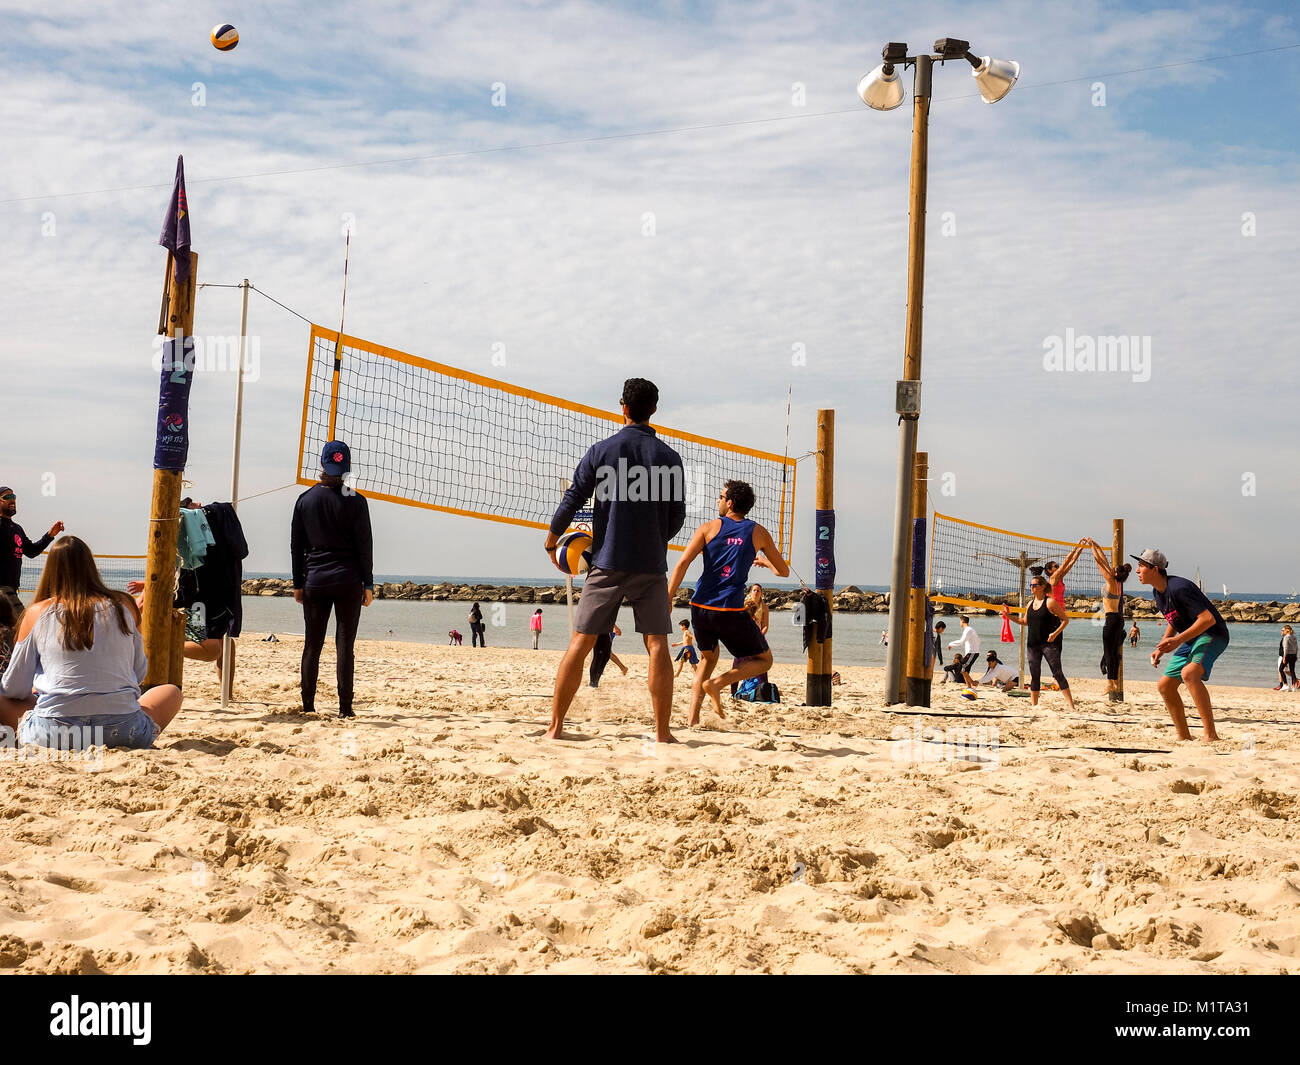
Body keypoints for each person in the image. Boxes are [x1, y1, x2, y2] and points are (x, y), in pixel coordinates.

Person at [544, 378, 685, 741]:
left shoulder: (602, 451)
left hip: (606, 562)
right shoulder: (669, 458)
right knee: (656, 644)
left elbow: (574, 497)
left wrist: (552, 537)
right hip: (650, 565)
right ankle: (664, 733)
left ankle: (556, 728)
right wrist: (656, 540)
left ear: (622, 406)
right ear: (655, 409)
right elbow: (677, 517)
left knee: (581, 641)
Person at [0, 537, 183, 748]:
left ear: (51, 570)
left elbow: (13, 688)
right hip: (123, 731)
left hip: (54, 734)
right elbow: (139, 673)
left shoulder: (37, 613)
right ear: (91, 566)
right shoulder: (124, 605)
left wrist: (41, 688)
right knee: (171, 692)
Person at [668, 479, 791, 726]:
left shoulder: (708, 528)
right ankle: (718, 683)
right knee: (764, 660)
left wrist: (668, 598)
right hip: (729, 610)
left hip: (700, 607)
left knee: (707, 659)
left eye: (721, 497)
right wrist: (765, 562)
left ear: (730, 503)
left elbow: (682, 564)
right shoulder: (758, 532)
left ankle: (692, 719)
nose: (718, 500)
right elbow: (784, 572)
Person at [291, 441, 373, 718]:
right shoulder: (357, 501)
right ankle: (345, 709)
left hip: (315, 579)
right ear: (346, 468)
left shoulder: (305, 499)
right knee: (344, 646)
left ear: (322, 466)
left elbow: (296, 546)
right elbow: (365, 546)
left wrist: (297, 584)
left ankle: (308, 706)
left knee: (312, 645)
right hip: (348, 580)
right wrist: (369, 584)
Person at [1133, 548, 1227, 743]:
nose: (1137, 570)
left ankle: (1211, 735)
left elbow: (1207, 619)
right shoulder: (1158, 592)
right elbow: (1173, 619)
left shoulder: (1179, 587)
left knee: (1189, 673)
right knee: (1165, 686)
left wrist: (1177, 641)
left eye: (1141, 566)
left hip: (1212, 634)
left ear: (1155, 569)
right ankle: (1184, 736)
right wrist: (1161, 648)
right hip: (1192, 638)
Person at [1007, 575, 1075, 709]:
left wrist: (1054, 634)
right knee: (1034, 675)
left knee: (1057, 673)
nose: (1031, 588)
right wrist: (1008, 616)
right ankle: (1034, 706)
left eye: (1034, 585)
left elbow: (1065, 620)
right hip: (1033, 645)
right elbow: (1024, 622)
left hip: (1049, 644)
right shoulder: (1030, 604)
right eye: (1030, 586)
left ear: (1043, 586)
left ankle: (1071, 706)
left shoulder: (1050, 602)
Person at [0, 486, 64, 608]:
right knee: (23, 624)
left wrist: (50, 535)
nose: (12, 500)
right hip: (2, 591)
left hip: (11, 590)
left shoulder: (17, 528)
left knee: (21, 625)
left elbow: (31, 551)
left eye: (14, 497)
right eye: (7, 497)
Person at [1083, 537, 1131, 701]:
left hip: (1111, 620)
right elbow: (1104, 561)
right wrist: (1095, 544)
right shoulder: (1117, 582)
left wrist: (1092, 548)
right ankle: (1114, 682)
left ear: (1115, 573)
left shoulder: (1111, 580)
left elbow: (1099, 563)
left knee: (1109, 652)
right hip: (1117, 619)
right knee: (1113, 652)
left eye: (1113, 568)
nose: (1110, 568)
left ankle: (1110, 683)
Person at [1044, 541, 1086, 608]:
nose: (1058, 567)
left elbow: (1072, 561)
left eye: (1058, 566)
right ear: (1049, 571)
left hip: (1061, 609)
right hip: (1052, 610)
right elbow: (1066, 562)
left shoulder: (1060, 577)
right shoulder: (1052, 578)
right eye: (1056, 566)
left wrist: (1082, 547)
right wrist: (1076, 547)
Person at [947, 615, 981, 687]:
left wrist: (951, 644)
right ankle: (969, 687)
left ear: (962, 621)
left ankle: (972, 683)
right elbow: (978, 640)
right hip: (971, 653)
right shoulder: (970, 630)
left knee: (962, 669)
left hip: (972, 653)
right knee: (964, 670)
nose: (960, 623)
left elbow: (962, 641)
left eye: (960, 621)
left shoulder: (968, 629)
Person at [1278, 625, 1298, 691]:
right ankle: (1293, 686)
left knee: (1281, 669)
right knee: (1292, 670)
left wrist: (1284, 657)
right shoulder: (1294, 637)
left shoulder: (1286, 637)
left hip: (1287, 655)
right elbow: (1296, 647)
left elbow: (1285, 648)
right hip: (1293, 655)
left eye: (1283, 630)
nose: (1282, 631)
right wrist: (1296, 655)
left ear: (1287, 630)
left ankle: (1286, 684)